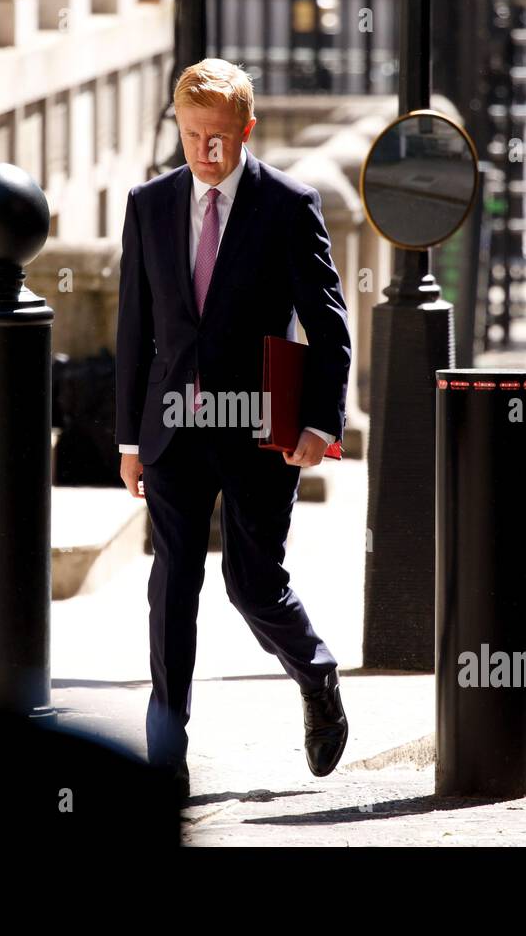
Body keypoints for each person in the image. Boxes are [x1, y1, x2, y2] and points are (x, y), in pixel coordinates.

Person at [114, 58, 352, 805]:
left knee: (252, 584)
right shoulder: (148, 205)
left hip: (261, 425)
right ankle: (166, 751)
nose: (205, 152)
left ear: (246, 130)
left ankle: (315, 674)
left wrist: (317, 422)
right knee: (171, 586)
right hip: (174, 429)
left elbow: (329, 325)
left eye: (219, 137)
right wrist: (128, 440)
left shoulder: (288, 205)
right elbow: (135, 330)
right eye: (191, 135)